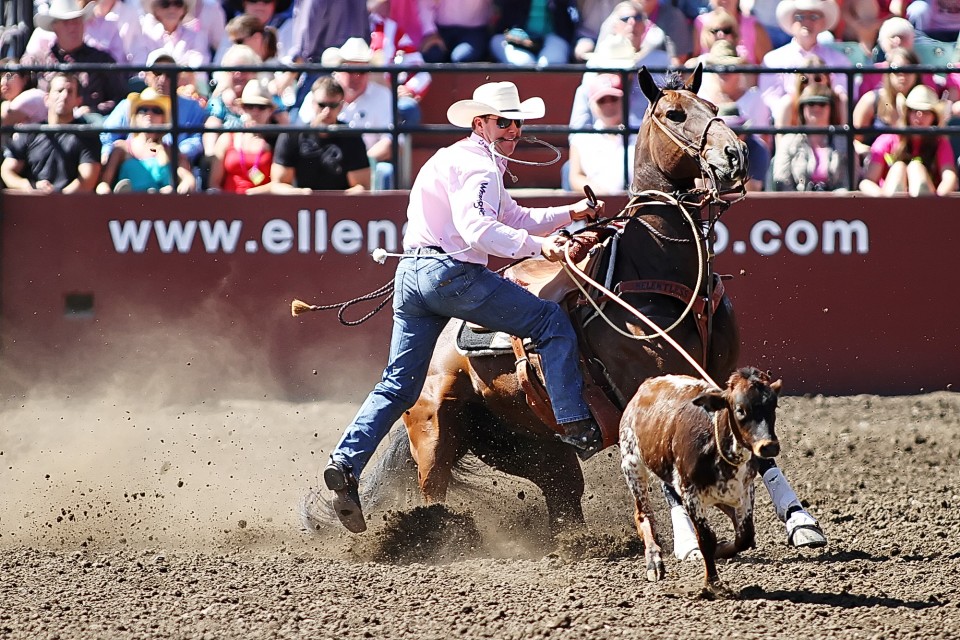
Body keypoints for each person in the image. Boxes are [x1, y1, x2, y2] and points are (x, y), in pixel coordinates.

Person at [322, 81, 604, 533]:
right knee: (551, 321)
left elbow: (513, 217)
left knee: (398, 384)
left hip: (412, 274)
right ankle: (575, 425)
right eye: (504, 122)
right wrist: (542, 247)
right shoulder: (482, 168)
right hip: (453, 276)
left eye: (517, 122)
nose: (514, 130)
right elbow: (479, 231)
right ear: (481, 123)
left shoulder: (456, 158)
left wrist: (569, 214)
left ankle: (346, 462)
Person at [299, 38, 395, 190]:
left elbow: (390, 141)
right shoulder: (317, 95)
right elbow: (302, 133)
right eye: (349, 70)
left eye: (361, 72)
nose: (355, 76)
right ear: (338, 70)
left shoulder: (383, 96)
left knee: (385, 171)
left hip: (368, 164)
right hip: (320, 161)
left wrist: (360, 160)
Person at [21, 0, 128, 119]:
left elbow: (120, 99)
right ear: (54, 27)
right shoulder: (38, 61)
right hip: (44, 127)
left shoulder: (102, 61)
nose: (73, 27)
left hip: (90, 127)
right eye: (66, 22)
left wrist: (94, 111)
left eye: (77, 21)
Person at [100, 49, 208, 167]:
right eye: (157, 72)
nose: (163, 79)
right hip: (134, 166)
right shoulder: (129, 104)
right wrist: (109, 156)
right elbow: (108, 137)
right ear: (146, 76)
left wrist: (176, 153)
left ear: (177, 78)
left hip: (173, 166)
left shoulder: (192, 107)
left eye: (169, 74)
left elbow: (195, 140)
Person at [1, 72, 100, 193]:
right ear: (47, 99)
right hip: (31, 200)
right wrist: (31, 187)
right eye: (59, 91)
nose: (64, 96)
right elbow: (7, 171)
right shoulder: (30, 132)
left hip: (70, 203)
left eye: (69, 92)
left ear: (78, 101)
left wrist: (57, 198)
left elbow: (87, 180)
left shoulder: (87, 134)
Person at [268, 76, 370, 193]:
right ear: (312, 103)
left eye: (332, 105)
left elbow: (362, 187)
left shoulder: (351, 137)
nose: (326, 111)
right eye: (321, 105)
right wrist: (301, 193)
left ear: (341, 106)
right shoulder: (292, 136)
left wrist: (338, 199)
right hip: (302, 201)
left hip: (341, 201)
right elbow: (278, 184)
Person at [759, 0, 850, 125]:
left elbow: (843, 98)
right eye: (800, 17)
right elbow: (771, 101)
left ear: (823, 22)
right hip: (789, 126)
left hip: (828, 126)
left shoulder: (839, 60)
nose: (807, 22)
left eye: (814, 17)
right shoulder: (773, 60)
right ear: (791, 21)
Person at [859, 84, 958, 196]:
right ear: (907, 113)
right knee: (898, 168)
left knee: (915, 168)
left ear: (934, 117)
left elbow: (949, 177)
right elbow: (868, 181)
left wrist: (938, 200)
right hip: (888, 201)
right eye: (914, 110)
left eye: (926, 111)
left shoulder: (940, 142)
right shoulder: (886, 140)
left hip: (927, 203)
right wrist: (881, 197)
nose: (919, 116)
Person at [96, 88, 197, 193]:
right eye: (143, 110)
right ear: (135, 117)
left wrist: (182, 187)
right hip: (129, 200)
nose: (149, 114)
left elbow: (188, 179)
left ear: (163, 119)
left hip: (163, 200)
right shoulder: (121, 148)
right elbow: (104, 182)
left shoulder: (170, 150)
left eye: (156, 110)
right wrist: (104, 191)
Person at [772, 84, 851, 191]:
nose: (816, 108)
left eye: (822, 104)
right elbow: (781, 180)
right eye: (811, 103)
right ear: (802, 108)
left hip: (836, 200)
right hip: (796, 199)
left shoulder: (843, 142)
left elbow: (849, 182)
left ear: (831, 109)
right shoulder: (788, 141)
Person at [566, 73, 635, 194]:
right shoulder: (581, 138)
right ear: (591, 105)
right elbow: (575, 177)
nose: (609, 105)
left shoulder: (642, 134)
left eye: (614, 98)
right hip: (597, 203)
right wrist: (600, 194)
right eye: (601, 100)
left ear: (625, 100)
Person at [207, 79, 276, 193]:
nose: (255, 111)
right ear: (241, 109)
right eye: (250, 106)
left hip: (264, 202)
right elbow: (214, 184)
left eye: (261, 107)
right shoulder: (227, 138)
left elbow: (279, 183)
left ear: (270, 111)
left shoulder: (277, 141)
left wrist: (251, 194)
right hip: (229, 202)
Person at [852, 47, 923, 156]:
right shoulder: (871, 100)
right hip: (873, 160)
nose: (902, 74)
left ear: (916, 74)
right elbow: (853, 141)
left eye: (908, 69)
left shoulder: (925, 105)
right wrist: (874, 153)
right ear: (888, 73)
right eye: (896, 69)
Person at [488, 0, 578, 67]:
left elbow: (570, 20)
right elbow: (503, 25)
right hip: (514, 38)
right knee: (523, 64)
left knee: (551, 64)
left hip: (552, 37)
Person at [693, 0, 772, 63]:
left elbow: (766, 67)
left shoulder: (754, 26)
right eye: (714, 31)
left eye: (727, 30)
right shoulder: (700, 23)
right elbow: (694, 62)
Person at [419, 0, 494, 63]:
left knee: (463, 58)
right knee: (433, 56)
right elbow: (425, 5)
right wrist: (431, 32)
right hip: (440, 32)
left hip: (474, 32)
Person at [717, 103, 769, 191]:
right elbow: (702, 187)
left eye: (736, 132)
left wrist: (738, 159)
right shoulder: (707, 148)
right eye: (726, 133)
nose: (732, 138)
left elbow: (750, 190)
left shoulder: (757, 148)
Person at [0, 60, 47, 127]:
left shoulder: (32, 95)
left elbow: (5, 120)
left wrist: (4, 104)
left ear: (25, 80)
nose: (4, 82)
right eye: (1, 77)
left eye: (10, 76)